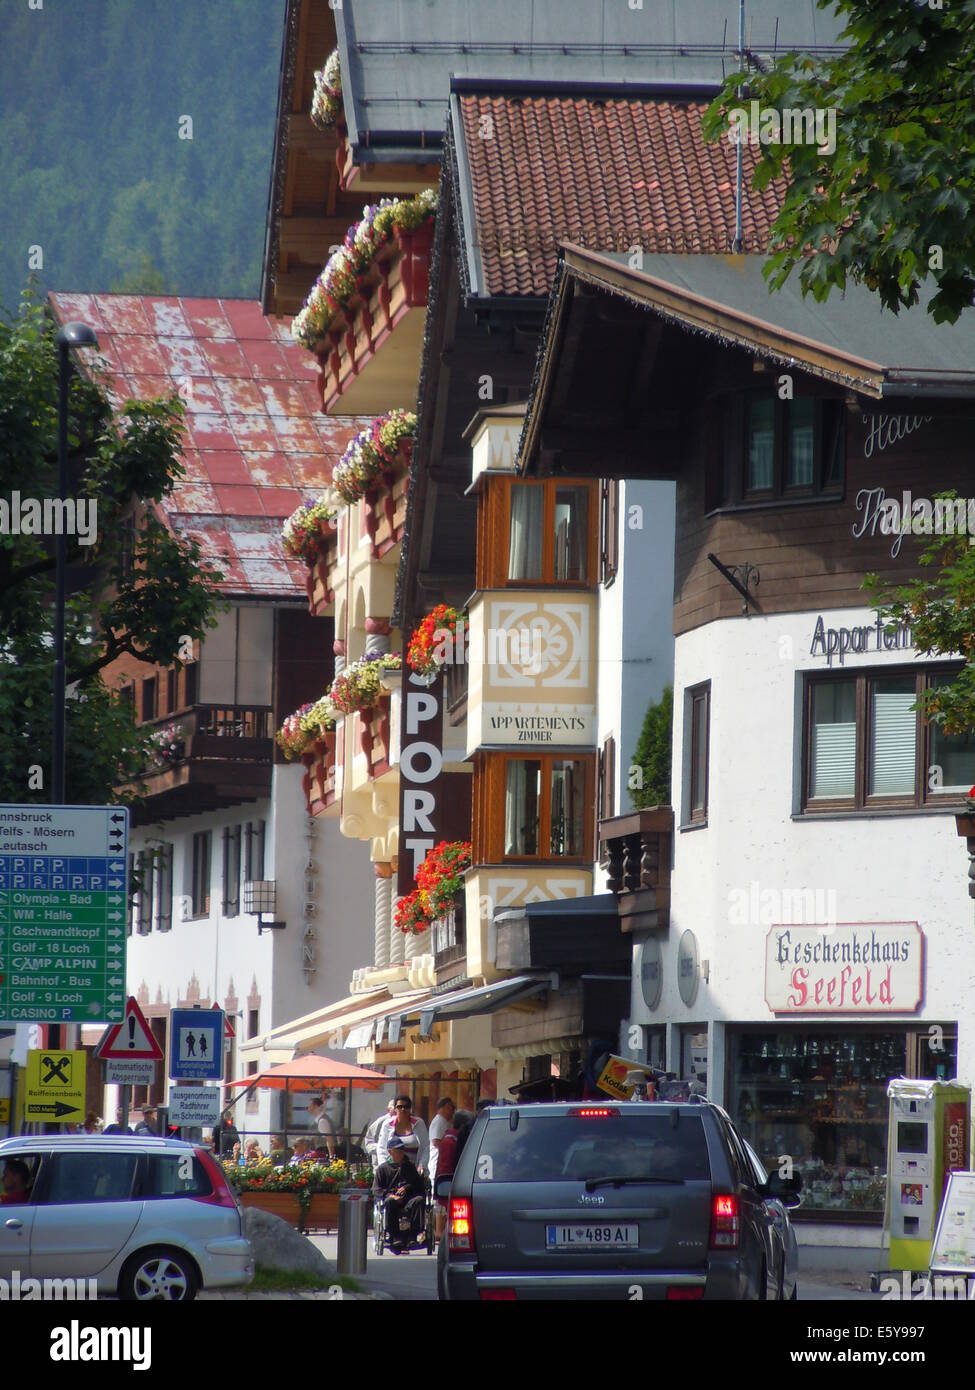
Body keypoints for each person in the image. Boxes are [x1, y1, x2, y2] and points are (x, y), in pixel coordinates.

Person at [373, 1136, 426, 1253]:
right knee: (390, 1202)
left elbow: (419, 1187)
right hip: (392, 1200)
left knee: (419, 1200)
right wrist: (391, 1195)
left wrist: (407, 1187)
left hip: (408, 1200)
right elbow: (376, 1190)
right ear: (390, 1152)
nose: (401, 1154)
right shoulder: (382, 1169)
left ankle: (413, 1235)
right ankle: (395, 1236)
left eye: (402, 1151)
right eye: (398, 1151)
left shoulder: (410, 1167)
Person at [375, 1094, 429, 1171]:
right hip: (392, 1171)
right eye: (400, 1107)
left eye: (406, 1107)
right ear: (395, 1109)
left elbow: (426, 1147)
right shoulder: (387, 1124)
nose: (403, 1109)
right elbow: (381, 1148)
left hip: (414, 1171)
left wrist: (422, 1165)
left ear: (410, 1109)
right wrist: (385, 1169)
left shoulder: (419, 1123)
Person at [307, 1096, 336, 1160]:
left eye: (310, 1106)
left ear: (316, 1107)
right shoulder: (319, 1120)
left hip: (324, 1156)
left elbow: (329, 1140)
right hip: (322, 1155)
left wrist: (331, 1158)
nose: (308, 1109)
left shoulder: (322, 1121)